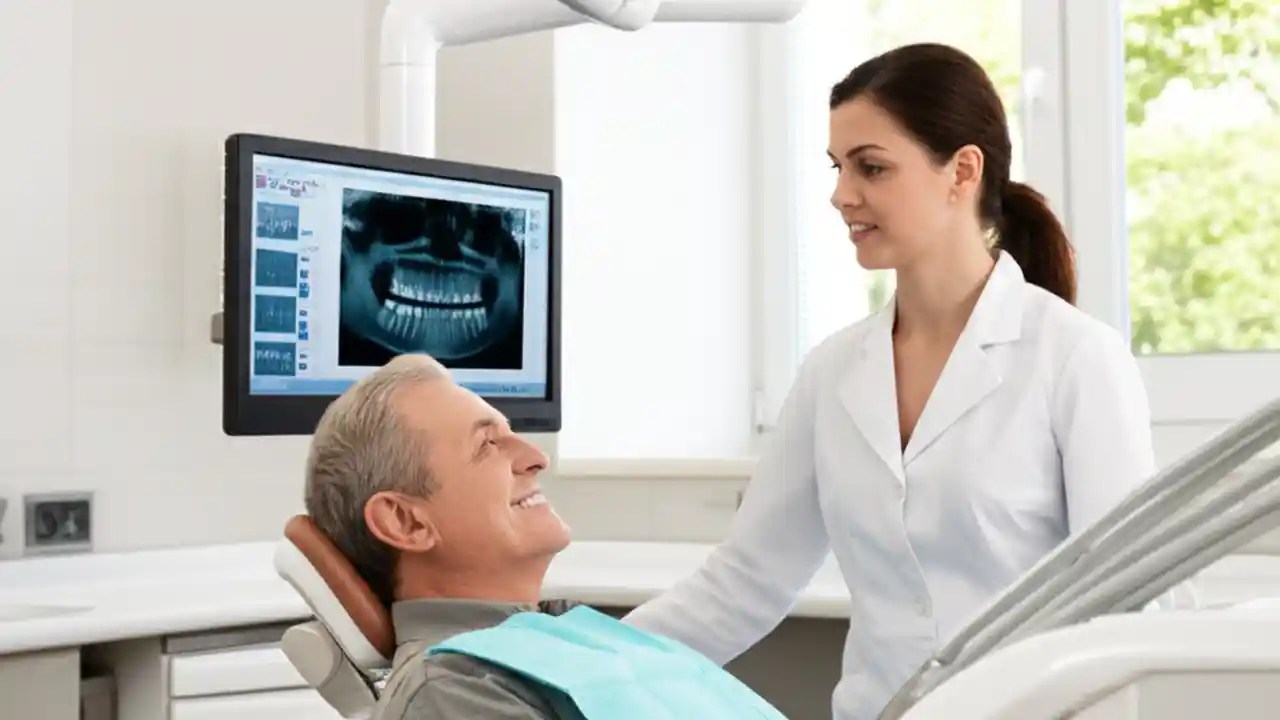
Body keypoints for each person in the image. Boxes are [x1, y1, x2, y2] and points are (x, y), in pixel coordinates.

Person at [623, 42, 1171, 719]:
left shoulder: (1075, 358)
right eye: (837, 167)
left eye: (871, 168)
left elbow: (1124, 603)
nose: (840, 195)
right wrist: (571, 663)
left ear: (961, 171)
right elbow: (747, 583)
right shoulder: (833, 372)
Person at [303, 353, 787, 720]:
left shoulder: (568, 640)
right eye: (488, 443)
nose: (536, 457)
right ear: (405, 522)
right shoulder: (451, 693)